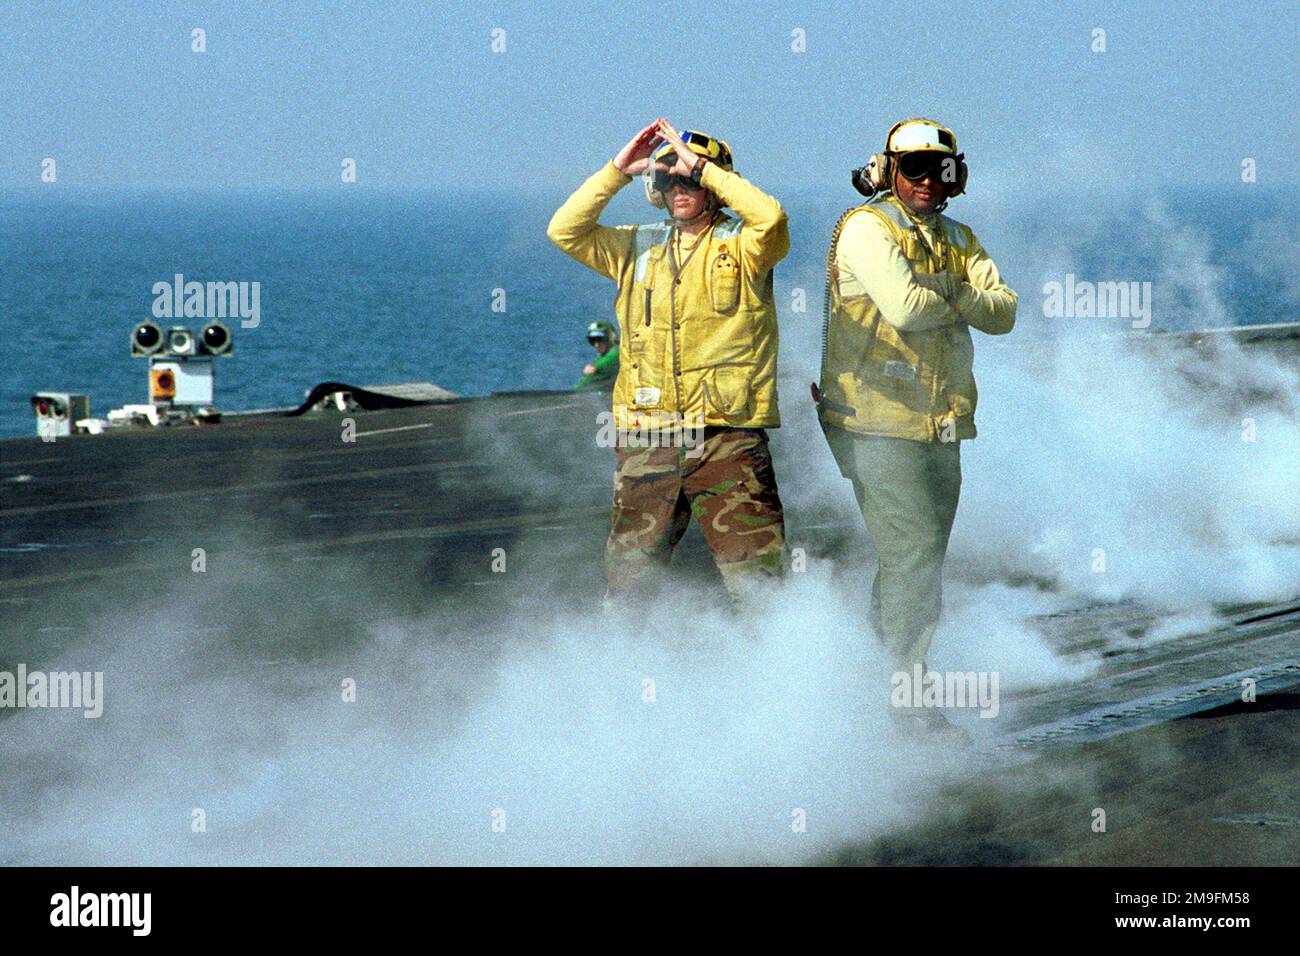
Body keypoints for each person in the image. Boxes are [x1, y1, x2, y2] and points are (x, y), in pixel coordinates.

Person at [815, 118, 1018, 740]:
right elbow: (905, 308)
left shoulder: (959, 236)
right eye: (914, 168)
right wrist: (962, 295)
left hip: (942, 424)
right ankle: (906, 700)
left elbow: (1006, 313)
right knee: (915, 551)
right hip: (873, 421)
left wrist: (946, 290)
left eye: (942, 169)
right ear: (887, 172)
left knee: (915, 557)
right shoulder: (866, 229)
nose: (928, 180)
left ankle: (872, 678)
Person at [547, 119, 790, 610]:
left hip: (726, 434)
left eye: (692, 180)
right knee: (629, 584)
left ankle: (778, 679)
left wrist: (701, 165)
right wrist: (618, 170)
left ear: (714, 183)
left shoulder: (744, 246)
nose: (681, 189)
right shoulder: (635, 247)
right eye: (669, 180)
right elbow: (564, 230)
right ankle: (621, 673)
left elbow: (772, 219)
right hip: (648, 435)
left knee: (760, 585)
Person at [574, 321, 620, 391]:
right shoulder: (607, 354)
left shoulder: (613, 355)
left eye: (600, 339)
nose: (596, 345)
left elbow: (583, 383)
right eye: (592, 340)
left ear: (610, 338)